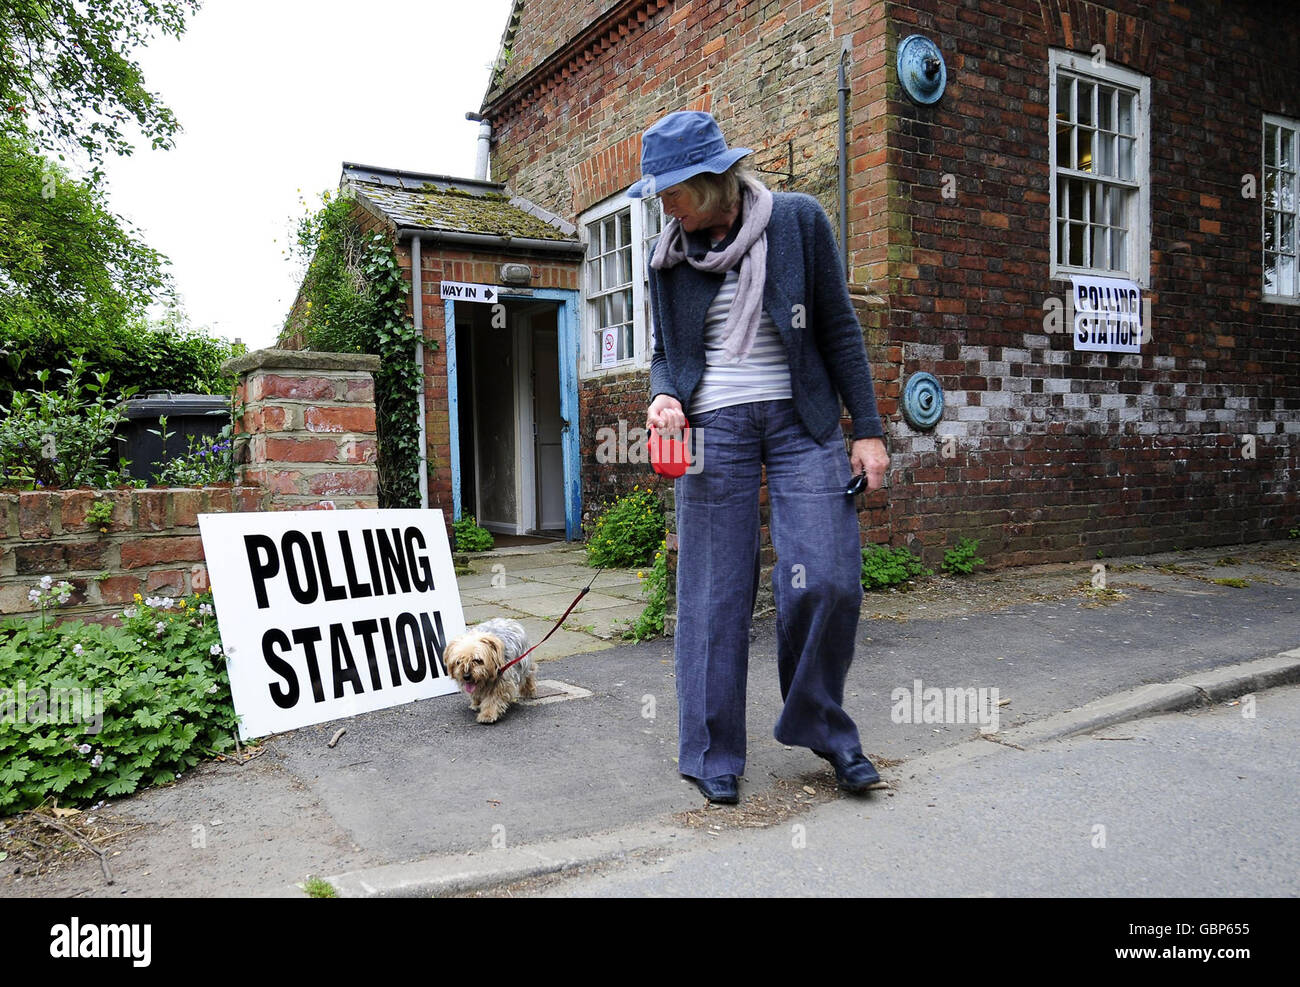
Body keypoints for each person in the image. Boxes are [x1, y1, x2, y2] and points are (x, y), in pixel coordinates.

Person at [629, 110, 890, 804]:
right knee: (714, 595)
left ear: (712, 181)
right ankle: (713, 751)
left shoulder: (798, 222)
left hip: (802, 420)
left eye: (671, 189)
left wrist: (866, 428)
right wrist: (663, 397)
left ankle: (823, 726)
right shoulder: (668, 254)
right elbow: (666, 354)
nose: (663, 203)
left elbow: (838, 325)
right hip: (713, 428)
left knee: (828, 577)